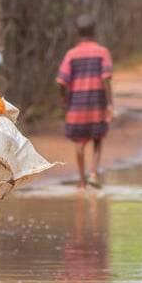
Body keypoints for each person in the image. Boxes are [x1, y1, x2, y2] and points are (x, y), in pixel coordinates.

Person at [56, 13, 113, 189]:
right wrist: (110, 104)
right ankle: (94, 173)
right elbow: (106, 79)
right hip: (97, 104)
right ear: (95, 31)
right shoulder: (103, 52)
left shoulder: (71, 55)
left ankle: (81, 182)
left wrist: (65, 98)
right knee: (97, 139)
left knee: (80, 143)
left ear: (76, 31)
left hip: (76, 106)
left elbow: (61, 80)